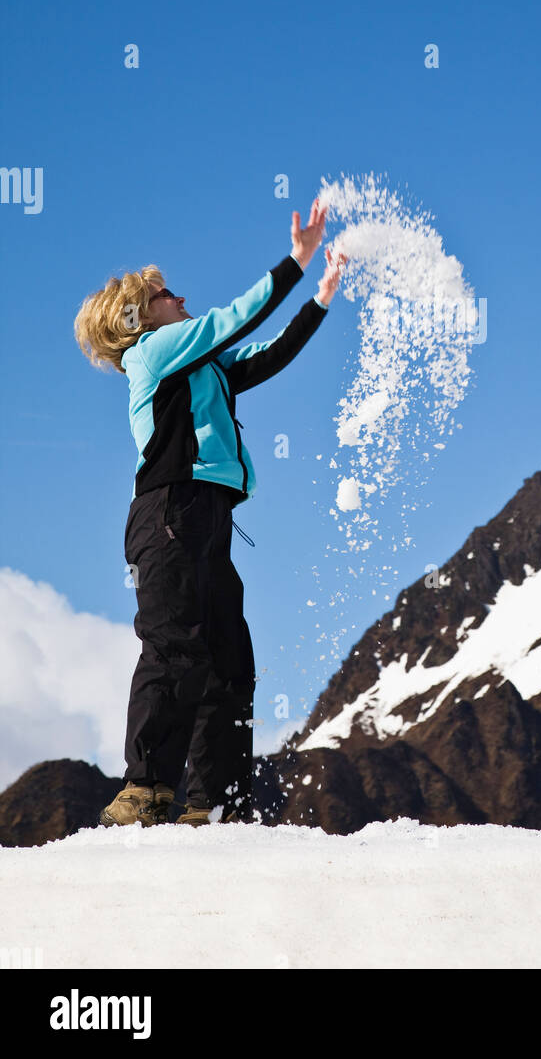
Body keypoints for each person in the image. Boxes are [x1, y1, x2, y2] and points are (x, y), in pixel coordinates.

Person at [73, 196, 346, 828]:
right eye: (167, 294)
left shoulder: (199, 364)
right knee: (173, 648)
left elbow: (263, 356)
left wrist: (321, 297)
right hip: (169, 512)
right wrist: (297, 259)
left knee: (228, 660)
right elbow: (232, 320)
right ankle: (145, 791)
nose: (180, 297)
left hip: (207, 516)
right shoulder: (153, 353)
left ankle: (215, 803)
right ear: (138, 318)